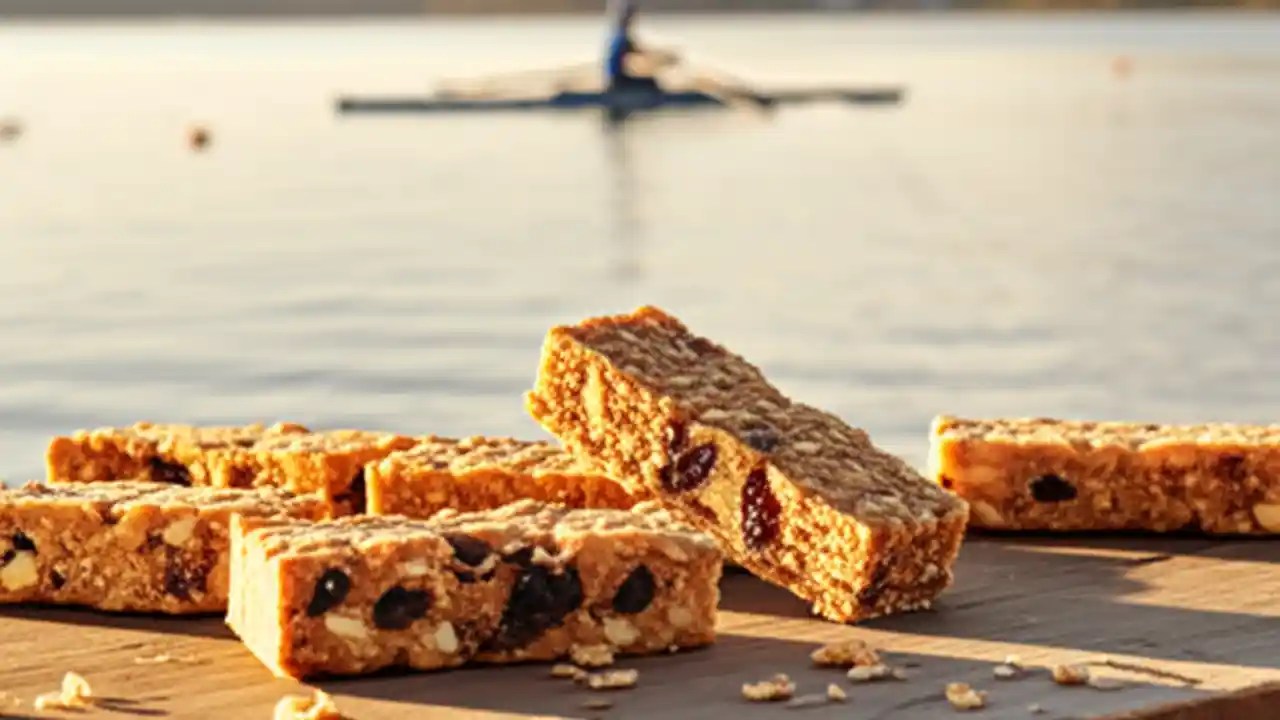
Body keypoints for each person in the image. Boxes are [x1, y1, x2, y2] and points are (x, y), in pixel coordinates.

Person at [604, 0, 663, 94]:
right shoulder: (622, 38)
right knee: (651, 81)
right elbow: (640, 52)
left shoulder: (617, 36)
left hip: (615, 79)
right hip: (618, 81)